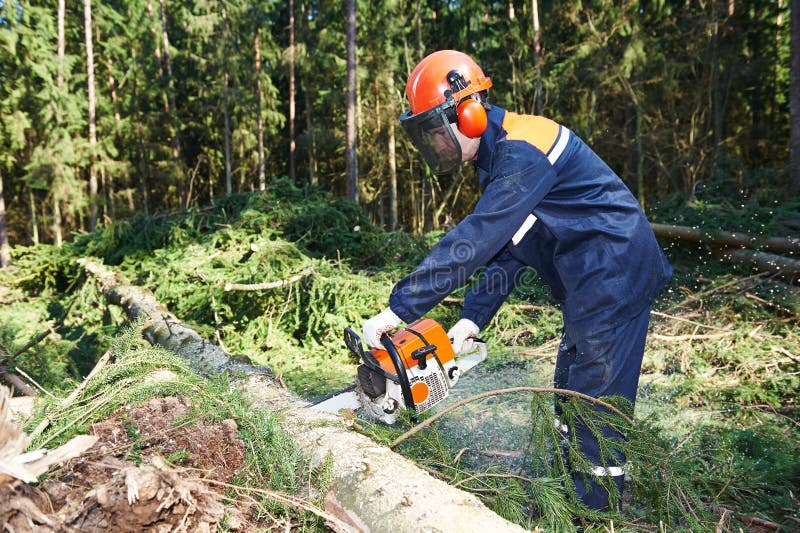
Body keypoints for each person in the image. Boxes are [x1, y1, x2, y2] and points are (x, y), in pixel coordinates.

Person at [362, 50, 672, 511]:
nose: (437, 145)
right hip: (589, 280)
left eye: (435, 131)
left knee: (593, 403)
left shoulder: (524, 148)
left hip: (615, 271)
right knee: (570, 389)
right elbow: (510, 249)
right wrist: (471, 319)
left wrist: (402, 308)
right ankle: (571, 496)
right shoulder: (500, 162)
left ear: (466, 113)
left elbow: (478, 237)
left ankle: (596, 511)